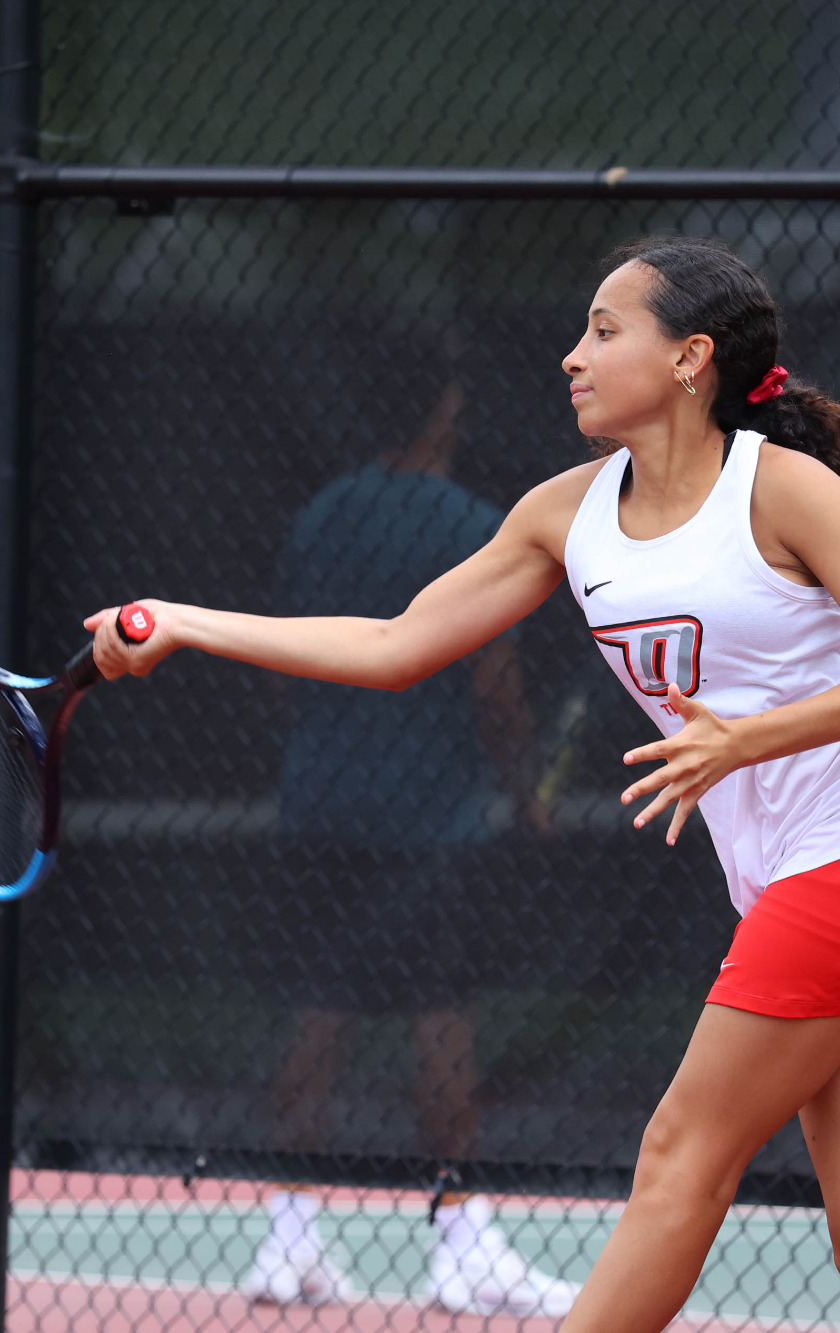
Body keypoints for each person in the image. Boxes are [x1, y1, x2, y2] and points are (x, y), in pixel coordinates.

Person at [85, 236, 840, 1332]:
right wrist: (185, 625)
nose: (571, 355)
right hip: (818, 890)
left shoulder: (784, 489)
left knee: (679, 1154)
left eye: (604, 330)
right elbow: (394, 645)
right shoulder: (561, 514)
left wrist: (742, 739)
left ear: (689, 359)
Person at [240, 377, 579, 1316]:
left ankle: (288, 1239)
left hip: (320, 814)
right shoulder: (474, 522)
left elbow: (282, 679)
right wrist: (524, 793)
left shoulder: (319, 517)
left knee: (315, 1014)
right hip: (431, 826)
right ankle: (460, 1246)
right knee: (441, 1018)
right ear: (440, 407)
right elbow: (494, 685)